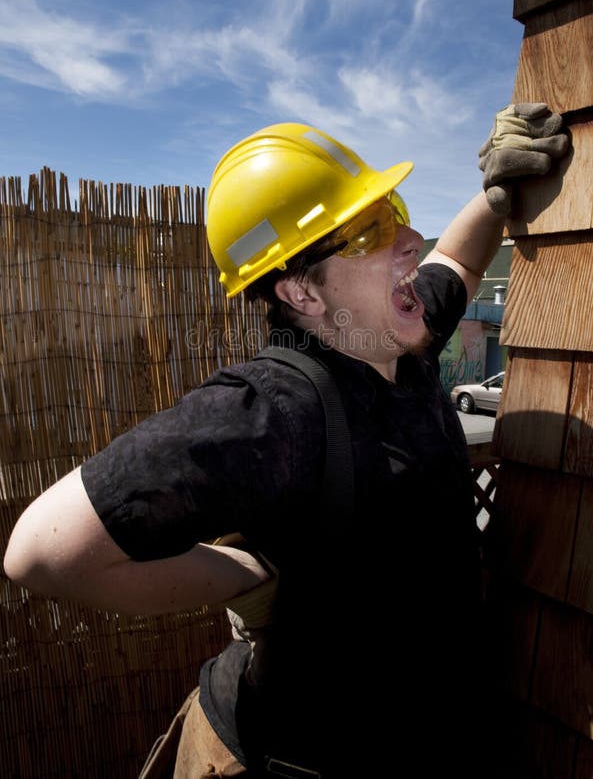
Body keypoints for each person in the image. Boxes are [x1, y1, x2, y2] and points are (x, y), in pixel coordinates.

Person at [4, 105, 568, 778]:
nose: (409, 239)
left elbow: (456, 261)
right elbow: (41, 551)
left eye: (392, 212)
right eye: (371, 231)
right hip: (292, 757)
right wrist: (244, 574)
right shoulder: (273, 408)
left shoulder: (396, 339)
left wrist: (494, 196)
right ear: (300, 291)